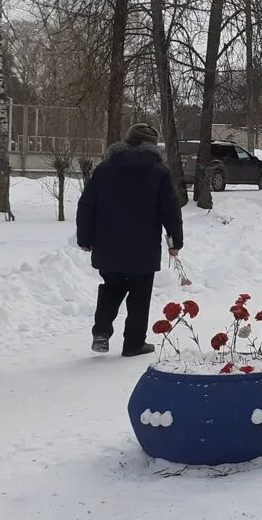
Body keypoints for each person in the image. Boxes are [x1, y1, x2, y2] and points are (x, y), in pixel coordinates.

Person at [76, 123, 184, 357]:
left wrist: (85, 237)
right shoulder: (159, 172)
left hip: (109, 244)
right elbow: (170, 210)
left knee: (111, 288)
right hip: (143, 247)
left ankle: (101, 332)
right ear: (153, 145)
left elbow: (87, 205)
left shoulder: (104, 169)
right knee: (140, 293)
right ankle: (133, 344)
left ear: (127, 141)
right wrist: (175, 241)